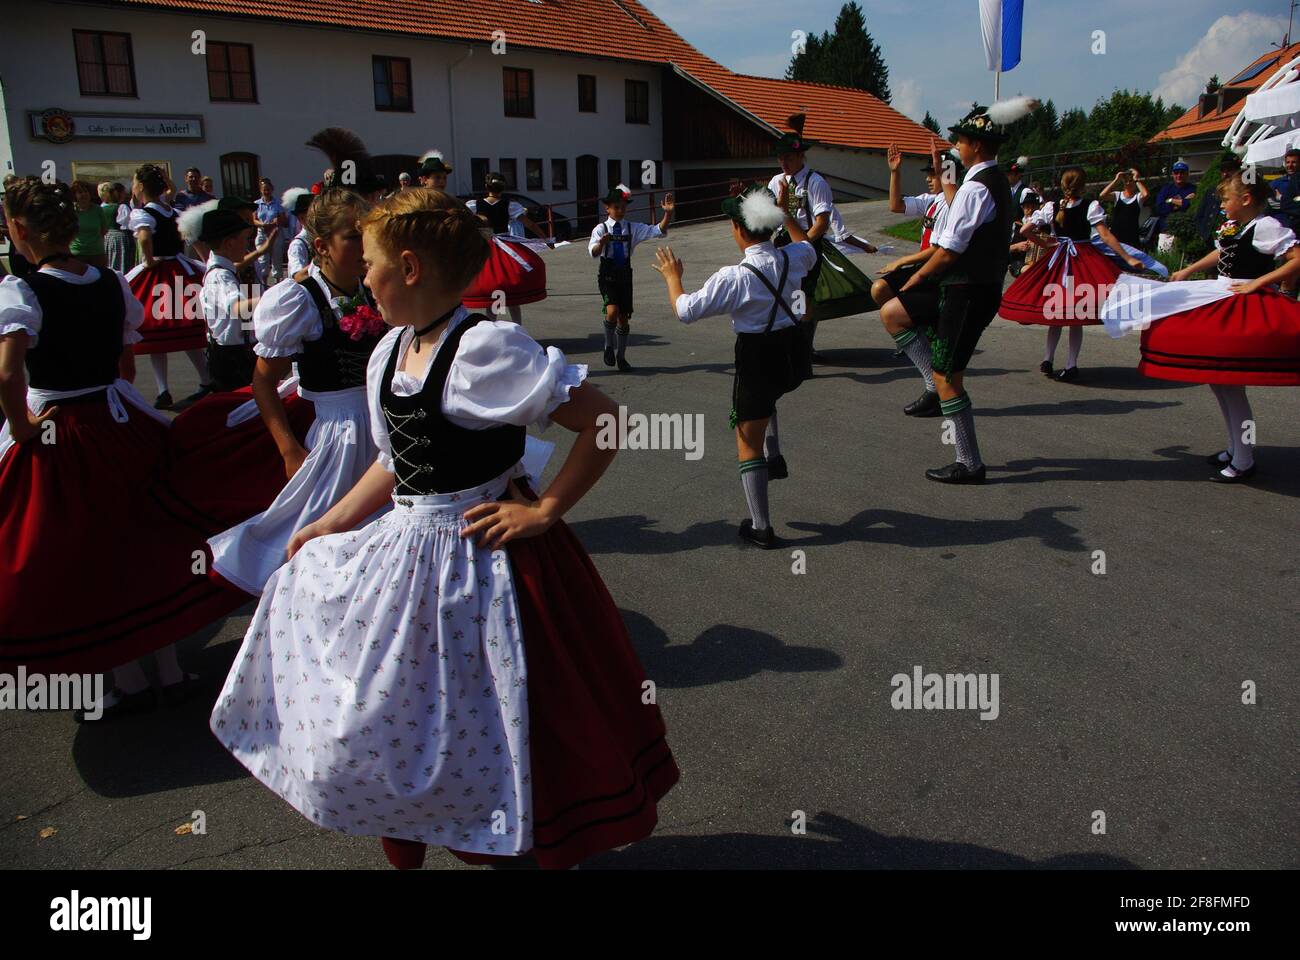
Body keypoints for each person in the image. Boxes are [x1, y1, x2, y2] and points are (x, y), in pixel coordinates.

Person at [210, 187, 678, 870]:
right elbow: (394, 462)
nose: (361, 276)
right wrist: (331, 521)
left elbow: (605, 421)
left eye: (369, 262)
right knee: (393, 707)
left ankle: (496, 839)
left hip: (485, 557)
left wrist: (544, 511)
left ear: (408, 267)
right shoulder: (389, 350)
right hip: (407, 549)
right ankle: (409, 841)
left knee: (495, 710)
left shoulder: (484, 350)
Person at [0, 177, 235, 713]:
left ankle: (121, 678)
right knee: (144, 537)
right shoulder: (110, 281)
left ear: (18, 230)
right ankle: (169, 670)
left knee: (76, 551)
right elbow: (124, 363)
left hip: (60, 425)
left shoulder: (21, 290)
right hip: (117, 416)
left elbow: (8, 372)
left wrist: (21, 426)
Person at [202, 187, 381, 596]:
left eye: (367, 235)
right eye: (353, 237)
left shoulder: (373, 286)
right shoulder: (298, 300)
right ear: (322, 245)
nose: (365, 245)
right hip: (340, 432)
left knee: (380, 533)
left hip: (383, 423)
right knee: (327, 532)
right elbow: (263, 381)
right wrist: (288, 449)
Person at [1103, 172, 1300, 483]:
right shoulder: (1240, 226)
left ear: (1246, 200)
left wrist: (1259, 284)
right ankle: (1237, 447)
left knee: (1232, 386)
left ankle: (1245, 457)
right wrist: (1188, 270)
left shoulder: (1266, 225)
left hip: (1242, 302)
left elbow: (1296, 259)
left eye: (1225, 199)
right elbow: (1222, 253)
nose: (1221, 205)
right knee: (1221, 382)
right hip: (1222, 292)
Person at [653, 184, 813, 548]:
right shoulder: (795, 257)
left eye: (732, 223)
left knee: (746, 441)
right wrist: (785, 212)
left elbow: (686, 311)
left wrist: (672, 278)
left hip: (758, 358)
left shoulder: (735, 277)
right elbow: (808, 245)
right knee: (771, 398)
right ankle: (775, 458)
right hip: (792, 354)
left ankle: (761, 527)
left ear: (740, 231)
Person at [899, 99, 1037, 483]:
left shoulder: (976, 188)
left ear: (975, 145)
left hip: (967, 290)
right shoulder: (986, 180)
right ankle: (932, 386)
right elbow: (949, 207)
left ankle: (969, 462)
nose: (956, 146)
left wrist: (917, 276)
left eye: (960, 140)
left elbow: (949, 250)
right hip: (969, 286)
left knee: (950, 377)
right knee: (894, 314)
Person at [1001, 165, 1145, 382]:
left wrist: (1049, 243)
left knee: (1056, 312)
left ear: (1062, 185)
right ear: (1083, 186)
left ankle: (1048, 359)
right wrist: (1128, 258)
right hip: (1081, 260)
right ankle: (1071, 364)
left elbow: (1024, 230)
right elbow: (1105, 237)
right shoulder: (1090, 206)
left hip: (1059, 258)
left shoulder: (1053, 206)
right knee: (1074, 315)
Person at [767, 115, 876, 363]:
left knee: (802, 296)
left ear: (801, 157)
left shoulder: (816, 182)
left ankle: (802, 348)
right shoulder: (776, 182)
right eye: (780, 157)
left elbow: (822, 223)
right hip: (783, 244)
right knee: (784, 294)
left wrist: (803, 247)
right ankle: (792, 345)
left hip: (808, 243)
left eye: (789, 157)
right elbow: (772, 218)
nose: (783, 162)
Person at [874, 140, 958, 417]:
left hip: (935, 270)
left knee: (892, 309)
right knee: (879, 289)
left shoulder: (953, 204)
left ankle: (930, 375)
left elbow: (938, 250)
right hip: (921, 264)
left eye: (933, 174)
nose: (929, 178)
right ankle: (916, 336)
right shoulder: (932, 202)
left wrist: (901, 260)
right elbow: (896, 206)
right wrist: (894, 172)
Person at [123, 163, 212, 409]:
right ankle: (205, 379)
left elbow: (143, 236)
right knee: (188, 328)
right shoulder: (172, 211)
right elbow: (191, 239)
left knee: (156, 332)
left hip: (160, 272)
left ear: (140, 187)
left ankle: (164, 389)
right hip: (181, 269)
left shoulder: (144, 213)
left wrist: (149, 260)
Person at [179, 201, 265, 391]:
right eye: (244, 239)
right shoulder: (219, 276)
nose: (247, 245)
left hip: (241, 351)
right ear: (229, 243)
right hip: (230, 358)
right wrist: (275, 296)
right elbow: (238, 308)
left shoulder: (227, 270)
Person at [588, 183, 674, 371]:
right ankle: (608, 346)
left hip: (625, 275)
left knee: (623, 319)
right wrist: (601, 244)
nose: (620, 210)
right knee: (611, 311)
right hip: (608, 274)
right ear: (607, 208)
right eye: (616, 207)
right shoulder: (601, 229)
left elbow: (657, 230)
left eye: (623, 207)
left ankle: (621, 357)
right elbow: (593, 252)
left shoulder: (632, 228)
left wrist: (667, 214)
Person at [461, 171, 556, 325]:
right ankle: (517, 325)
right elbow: (529, 224)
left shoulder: (475, 205)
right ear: (503, 188)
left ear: (487, 186)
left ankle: (493, 325)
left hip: (484, 247)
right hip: (505, 248)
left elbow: (461, 221)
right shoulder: (509, 205)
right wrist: (546, 238)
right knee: (509, 286)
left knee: (493, 285)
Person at [1099, 168, 1150, 248]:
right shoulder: (1117, 195)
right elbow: (1102, 195)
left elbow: (1146, 194)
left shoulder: (1138, 197)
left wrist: (1136, 179)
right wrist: (1116, 180)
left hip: (1131, 237)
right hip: (1116, 236)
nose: (1128, 184)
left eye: (1131, 181)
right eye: (1126, 181)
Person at [1148, 160, 1196, 241]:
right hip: (1166, 230)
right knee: (1165, 253)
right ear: (1173, 174)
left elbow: (1191, 205)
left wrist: (1169, 201)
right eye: (1176, 173)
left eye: (1182, 172)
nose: (1179, 175)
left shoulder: (1193, 189)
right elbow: (1159, 208)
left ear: (1187, 174)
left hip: (1186, 230)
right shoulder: (1166, 189)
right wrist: (1176, 202)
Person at [68, 179, 109, 269]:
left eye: (86, 191)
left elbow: (104, 230)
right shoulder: (71, 211)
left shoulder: (98, 209)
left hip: (97, 254)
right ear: (75, 195)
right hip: (77, 254)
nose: (84, 194)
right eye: (80, 192)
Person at [253, 177, 287, 285]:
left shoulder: (277, 204)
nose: (266, 192)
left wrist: (277, 220)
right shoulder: (257, 204)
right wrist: (262, 224)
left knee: (277, 261)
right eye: (264, 189)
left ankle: (278, 285)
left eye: (268, 189)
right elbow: (254, 220)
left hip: (275, 233)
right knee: (262, 261)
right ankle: (263, 285)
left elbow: (284, 219)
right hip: (262, 234)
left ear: (272, 189)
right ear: (261, 190)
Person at [101, 181, 137, 274]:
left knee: (110, 261)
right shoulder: (122, 207)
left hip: (107, 238)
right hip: (120, 238)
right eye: (123, 192)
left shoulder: (102, 207)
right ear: (120, 193)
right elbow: (128, 224)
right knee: (122, 262)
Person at [282, 188, 315, 276]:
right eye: (313, 214)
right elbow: (298, 276)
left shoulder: (321, 238)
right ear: (301, 218)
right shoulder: (298, 245)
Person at [1270, 148, 1300, 233]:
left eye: (1294, 162)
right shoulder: (1276, 183)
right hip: (1279, 228)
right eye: (1288, 162)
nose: (1290, 165)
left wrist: (1281, 198)